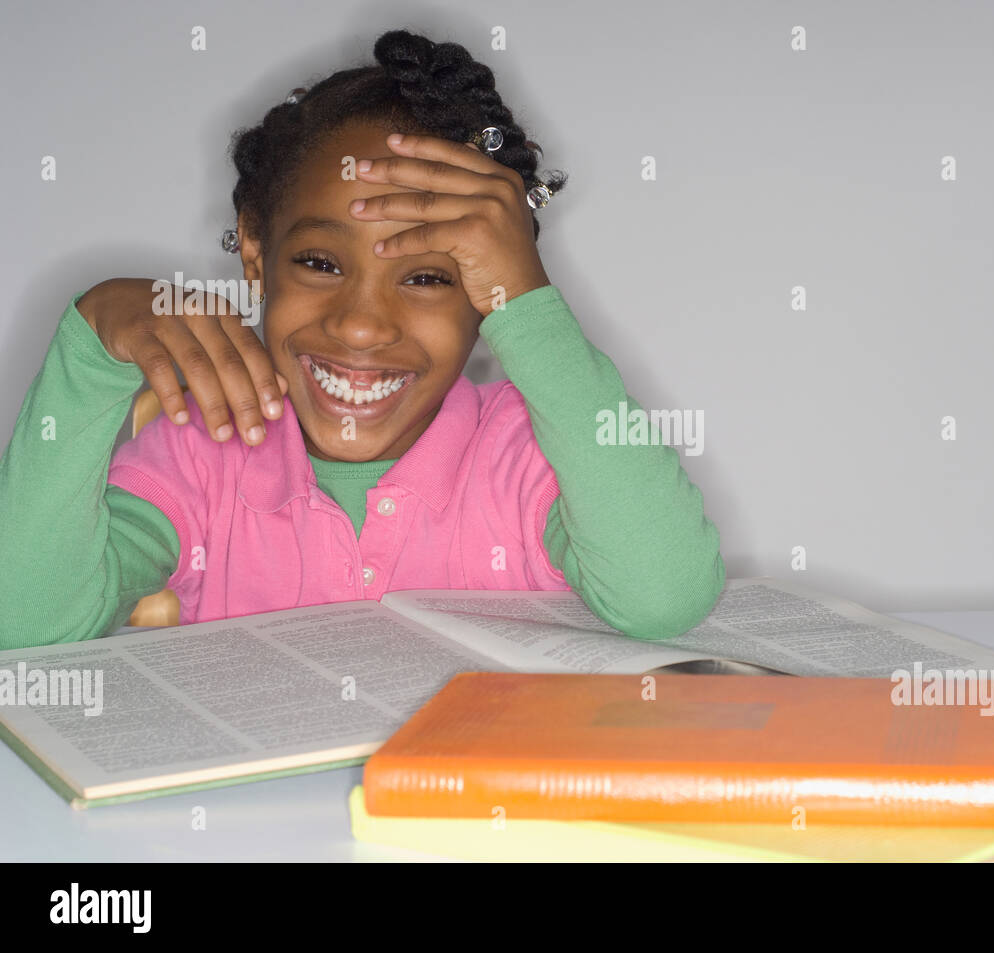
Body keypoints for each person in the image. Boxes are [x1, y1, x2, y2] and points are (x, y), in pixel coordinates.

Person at [0, 29, 724, 649]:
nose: (361, 325)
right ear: (256, 254)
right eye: (320, 263)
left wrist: (530, 305)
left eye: (429, 278)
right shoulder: (205, 450)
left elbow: (663, 596)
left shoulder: (530, 455)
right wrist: (90, 353)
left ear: (488, 293)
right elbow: (27, 621)